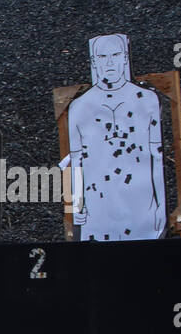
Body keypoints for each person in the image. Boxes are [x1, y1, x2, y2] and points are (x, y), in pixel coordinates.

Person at [68, 33, 165, 241]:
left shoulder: (147, 100)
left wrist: (161, 207)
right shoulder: (79, 107)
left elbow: (157, 156)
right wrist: (76, 206)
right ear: (95, 61)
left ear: (124, 57)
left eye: (115, 54)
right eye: (103, 57)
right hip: (97, 206)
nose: (110, 62)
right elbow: (76, 162)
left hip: (142, 204)